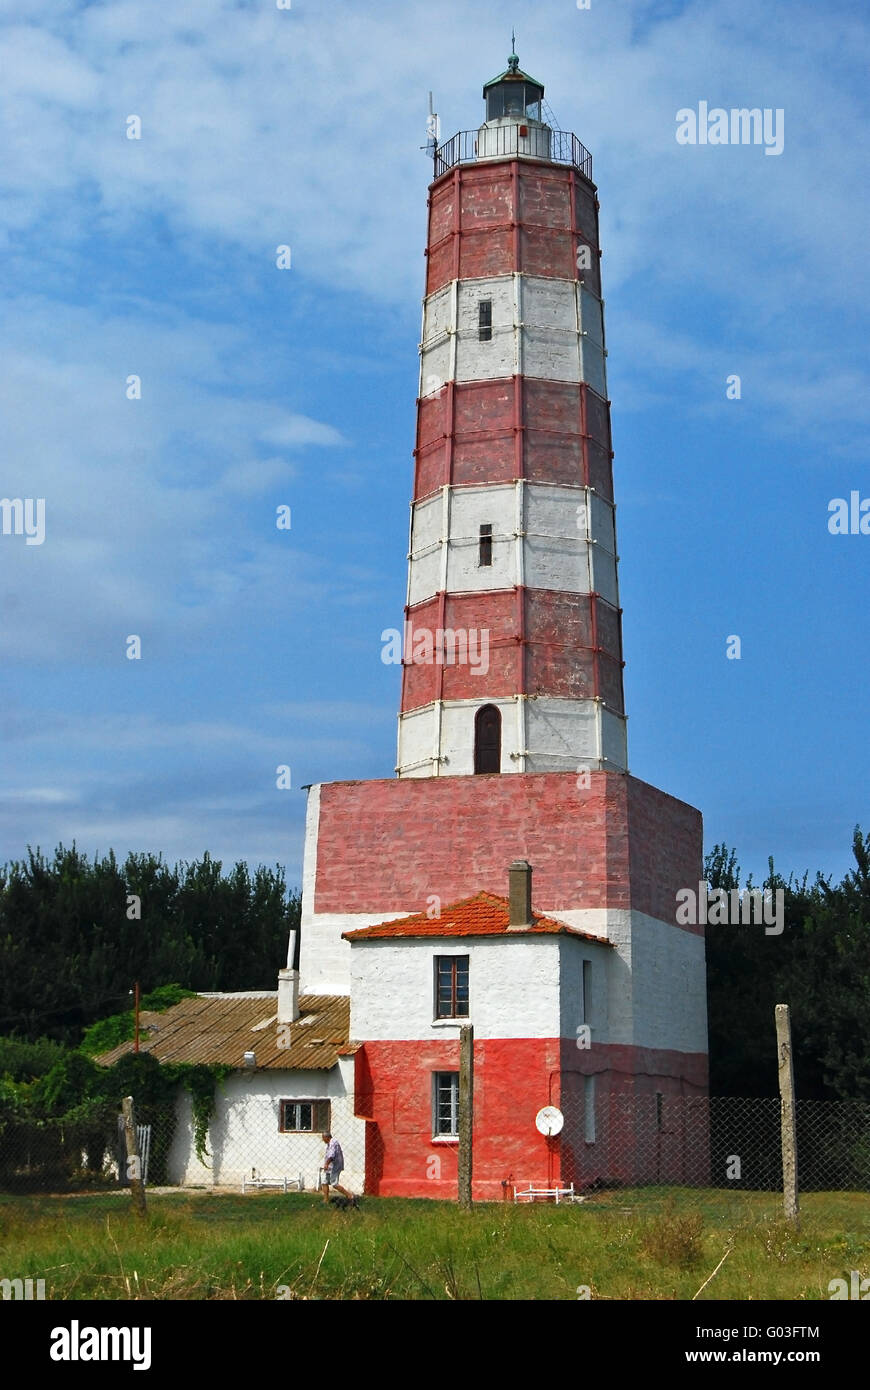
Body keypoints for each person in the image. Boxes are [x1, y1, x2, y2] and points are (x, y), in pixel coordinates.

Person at [320, 1133, 357, 1205]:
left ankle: (350, 1196)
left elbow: (331, 1155)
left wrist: (327, 1164)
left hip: (335, 1167)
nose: (322, 1140)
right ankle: (326, 1200)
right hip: (330, 1166)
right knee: (324, 1182)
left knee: (334, 1184)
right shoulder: (330, 1143)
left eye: (323, 1138)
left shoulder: (333, 1143)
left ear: (326, 1137)